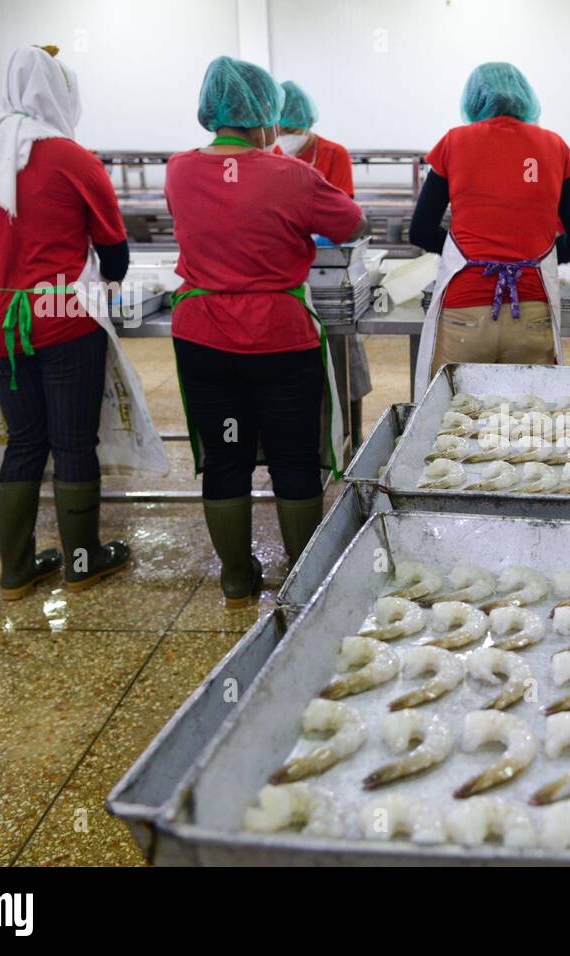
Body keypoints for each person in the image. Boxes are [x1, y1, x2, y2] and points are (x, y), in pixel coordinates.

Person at [167, 56, 367, 607]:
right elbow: (353, 223)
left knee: (226, 454)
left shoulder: (179, 169)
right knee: (293, 457)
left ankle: (235, 579)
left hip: (205, 338)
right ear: (263, 114)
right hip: (279, 340)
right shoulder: (292, 174)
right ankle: (303, 578)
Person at [0, 45, 133, 600]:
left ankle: (16, 572)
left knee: (24, 438)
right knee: (72, 441)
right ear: (62, 93)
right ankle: (80, 560)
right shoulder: (72, 158)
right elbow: (114, 253)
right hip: (62, 315)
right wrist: (109, 287)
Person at [408, 61, 570, 398]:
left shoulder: (454, 142)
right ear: (526, 97)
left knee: (457, 426)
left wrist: (463, 257)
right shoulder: (554, 147)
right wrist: (540, 260)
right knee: (525, 424)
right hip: (532, 309)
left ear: (473, 100)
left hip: (465, 310)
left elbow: (420, 231)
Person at [276, 79, 372, 447]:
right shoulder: (266, 157)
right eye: (279, 129)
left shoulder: (333, 154)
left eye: (292, 129)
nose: (286, 136)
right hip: (287, 277)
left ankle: (350, 435)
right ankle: (304, 443)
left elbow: (347, 219)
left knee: (343, 358)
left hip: (329, 272)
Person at [274, 80, 356, 197]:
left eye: (290, 130)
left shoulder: (335, 154)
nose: (283, 138)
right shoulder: (274, 155)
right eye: (277, 133)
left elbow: (344, 206)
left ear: (307, 123)